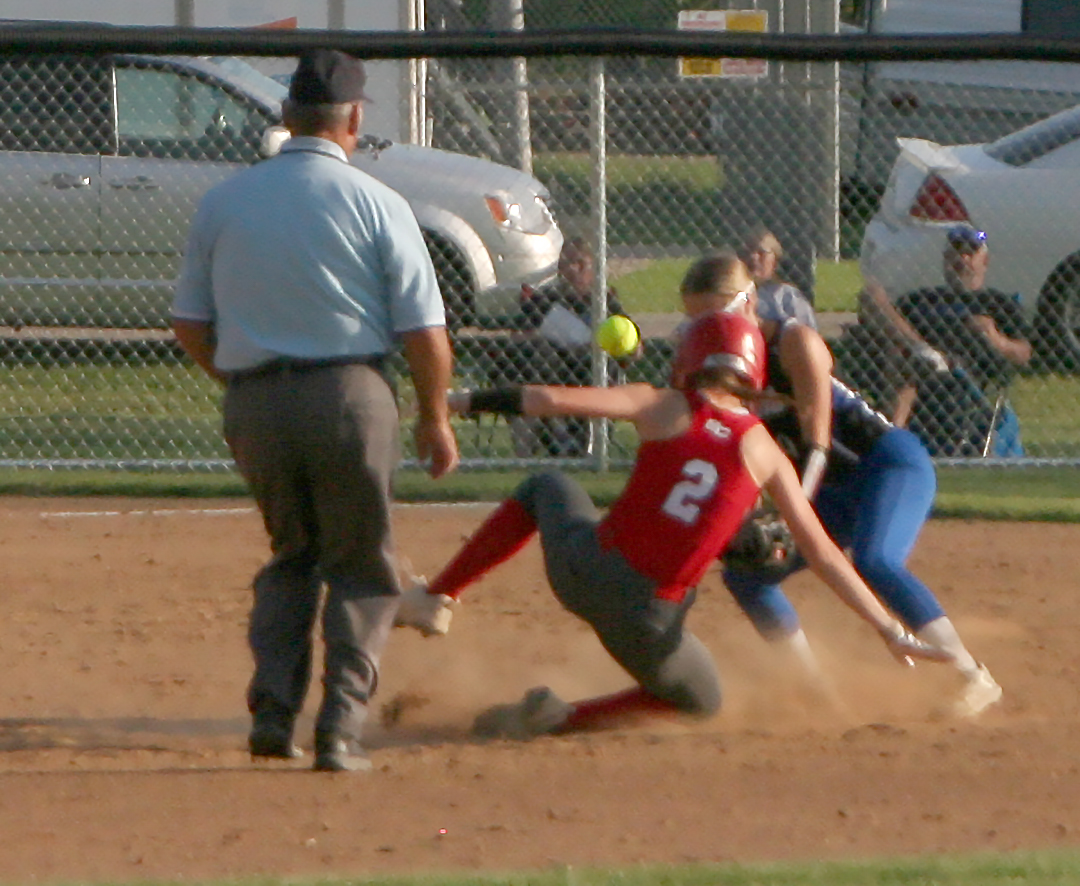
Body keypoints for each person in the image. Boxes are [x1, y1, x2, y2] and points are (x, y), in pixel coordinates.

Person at [395, 311, 945, 740]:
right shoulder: (766, 450)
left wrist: (455, 401)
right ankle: (564, 719)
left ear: (690, 358)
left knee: (547, 487)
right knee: (701, 702)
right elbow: (824, 555)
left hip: (585, 571)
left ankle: (438, 598)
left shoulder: (658, 403)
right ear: (753, 371)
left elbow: (548, 399)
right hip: (650, 622)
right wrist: (890, 630)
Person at [170, 49, 460, 772]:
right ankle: (340, 727)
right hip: (349, 396)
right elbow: (424, 334)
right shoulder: (379, 203)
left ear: (285, 114)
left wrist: (238, 383)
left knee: (291, 557)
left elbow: (188, 323)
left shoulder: (226, 200)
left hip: (255, 402)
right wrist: (434, 417)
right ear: (354, 119)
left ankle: (273, 715)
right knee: (362, 567)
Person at [676, 252, 1002, 718]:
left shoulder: (795, 341)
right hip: (831, 490)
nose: (705, 329)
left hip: (887, 465)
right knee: (747, 575)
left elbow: (818, 445)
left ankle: (971, 676)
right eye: (695, 321)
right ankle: (812, 687)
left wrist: (796, 514)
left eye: (715, 315)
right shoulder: (715, 368)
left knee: (876, 559)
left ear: (749, 303)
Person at [860, 224, 1031, 456]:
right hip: (913, 356)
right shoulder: (921, 299)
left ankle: (891, 444)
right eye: (956, 251)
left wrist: (996, 338)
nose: (962, 257)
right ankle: (923, 353)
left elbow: (1024, 354)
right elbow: (878, 317)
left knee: (913, 369)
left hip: (962, 378)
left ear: (985, 262)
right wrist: (917, 347)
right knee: (872, 295)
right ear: (944, 258)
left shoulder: (998, 303)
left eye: (971, 252)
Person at [502, 236, 639, 456]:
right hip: (552, 369)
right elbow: (517, 338)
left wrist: (606, 347)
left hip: (589, 370)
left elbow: (634, 348)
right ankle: (540, 444)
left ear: (593, 267)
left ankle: (591, 448)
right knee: (531, 356)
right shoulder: (545, 300)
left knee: (603, 366)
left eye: (580, 263)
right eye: (567, 263)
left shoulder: (605, 301)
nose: (573, 269)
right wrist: (540, 337)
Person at [740, 224, 817, 329]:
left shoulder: (787, 296)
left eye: (761, 252)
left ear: (774, 260)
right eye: (747, 251)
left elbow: (806, 333)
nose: (753, 257)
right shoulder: (734, 295)